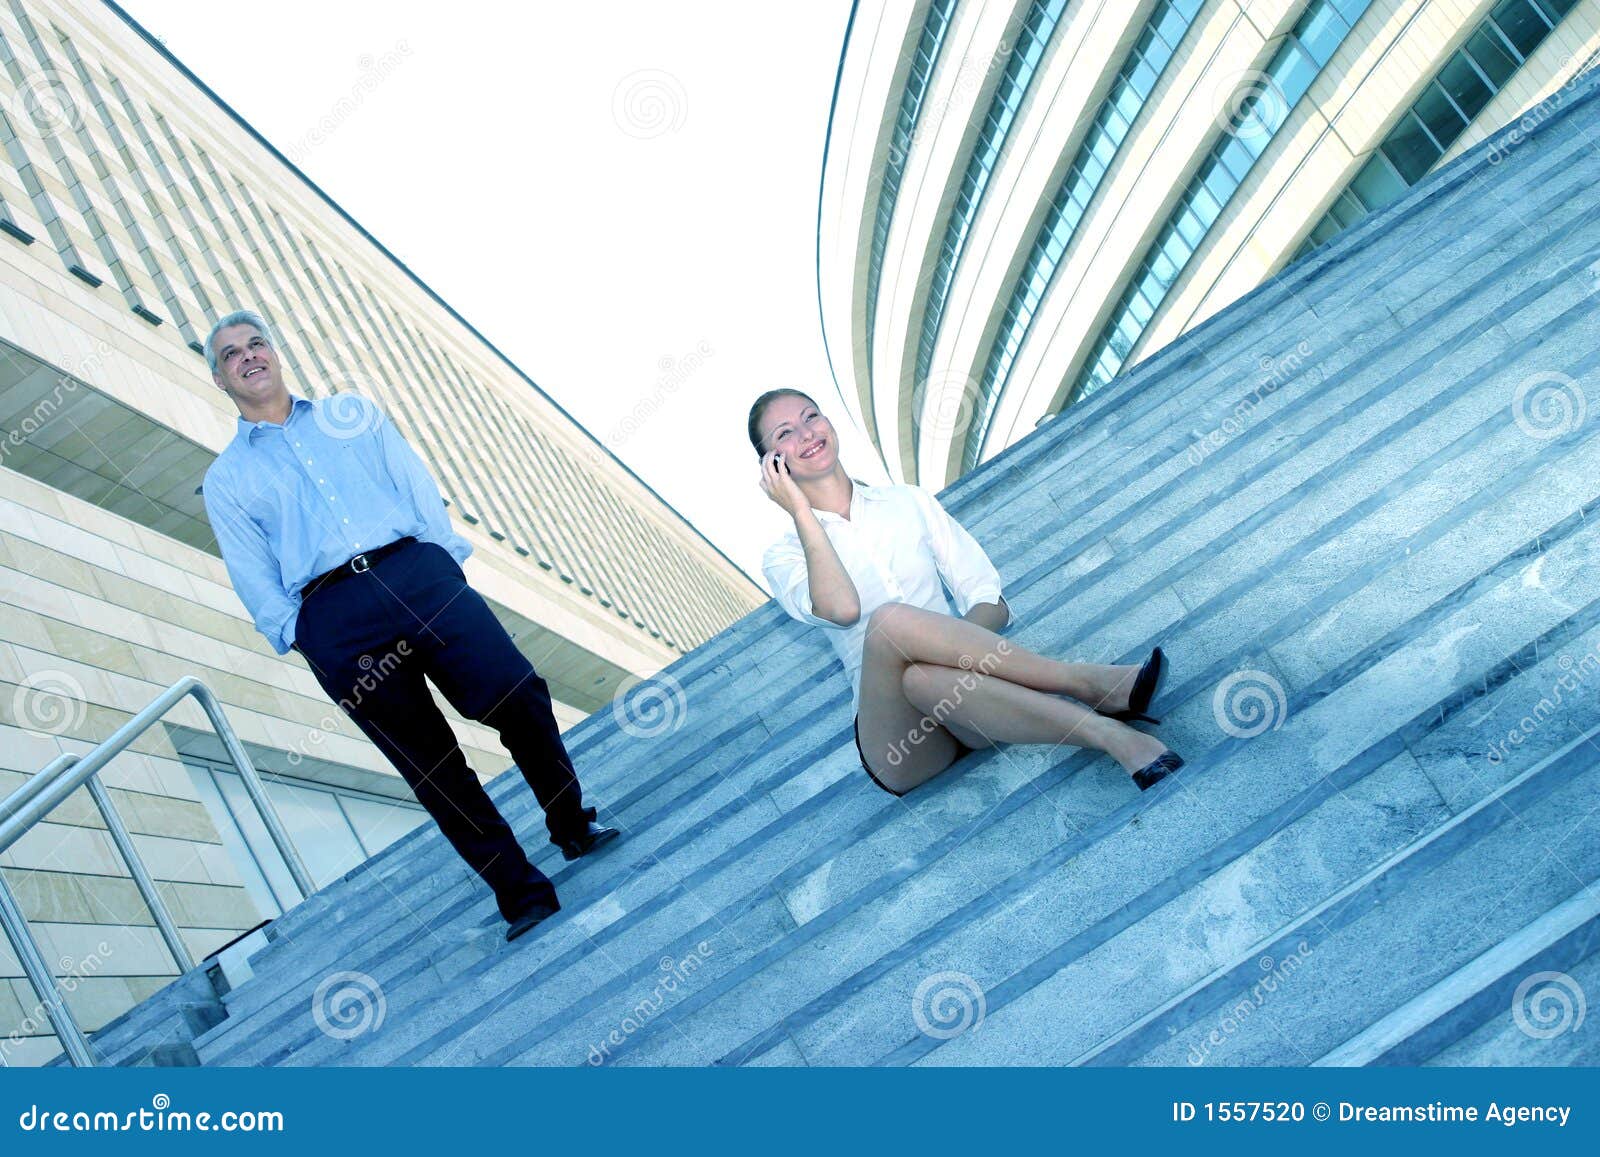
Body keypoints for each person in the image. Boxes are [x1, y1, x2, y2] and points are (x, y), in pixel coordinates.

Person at [200, 309, 617, 942]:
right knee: (432, 767)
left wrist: (440, 561)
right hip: (334, 616)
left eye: (257, 343)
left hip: (416, 574)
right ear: (219, 378)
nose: (249, 356)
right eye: (232, 354)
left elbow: (413, 482)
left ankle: (571, 824)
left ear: (276, 353)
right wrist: (304, 633)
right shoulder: (227, 478)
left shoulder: (350, 414)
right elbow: (250, 568)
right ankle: (520, 893)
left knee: (518, 693)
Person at [753, 388, 1185, 797]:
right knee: (889, 622)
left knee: (920, 675)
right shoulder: (785, 556)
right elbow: (844, 609)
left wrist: (952, 653)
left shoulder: (907, 502)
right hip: (900, 745)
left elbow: (990, 600)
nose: (806, 433)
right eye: (785, 433)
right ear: (772, 464)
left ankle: (1115, 737)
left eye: (811, 416)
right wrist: (800, 511)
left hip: (964, 700)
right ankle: (1084, 682)